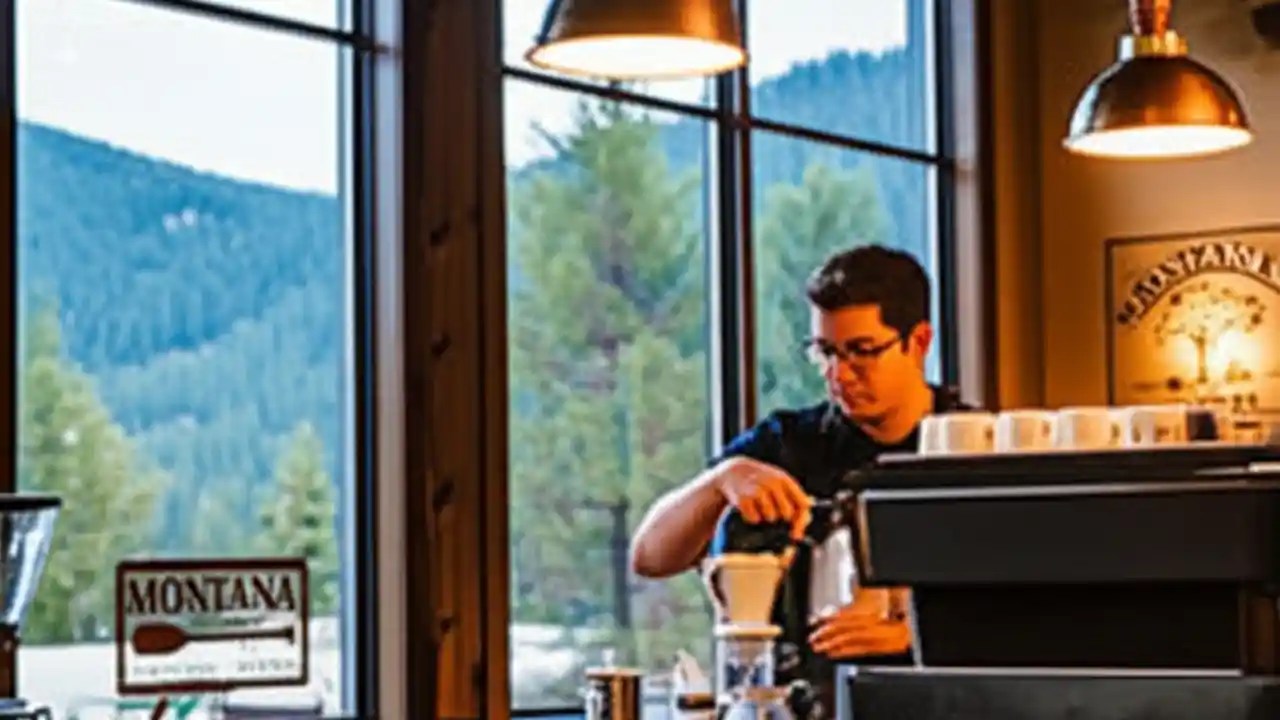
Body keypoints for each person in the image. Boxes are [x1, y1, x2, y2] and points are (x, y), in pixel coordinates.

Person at [629, 244, 970, 699]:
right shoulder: (788, 443)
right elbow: (650, 556)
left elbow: (1029, 618)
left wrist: (918, 633)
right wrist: (720, 481)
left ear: (919, 342)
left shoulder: (973, 449)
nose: (839, 374)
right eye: (825, 352)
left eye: (861, 352)